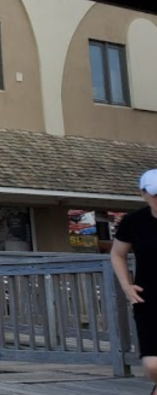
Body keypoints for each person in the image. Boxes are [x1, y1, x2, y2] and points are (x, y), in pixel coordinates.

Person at [111, 169, 157, 395]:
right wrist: (126, 286)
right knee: (152, 365)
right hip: (147, 298)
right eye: (156, 194)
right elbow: (117, 254)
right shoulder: (134, 221)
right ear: (144, 194)